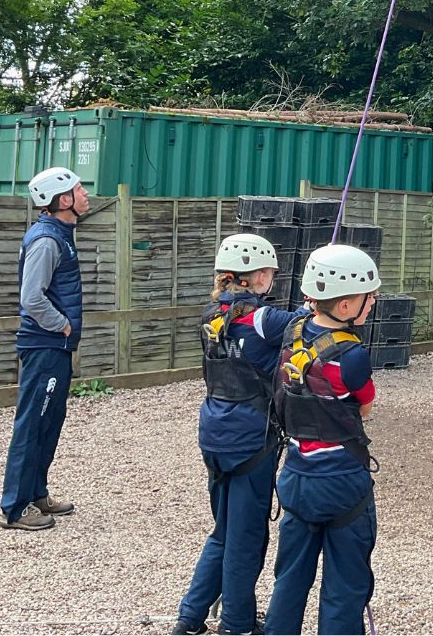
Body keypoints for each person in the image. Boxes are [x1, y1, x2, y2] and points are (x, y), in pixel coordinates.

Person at [172, 233, 308, 636]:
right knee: (245, 540)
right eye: (269, 273)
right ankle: (237, 624)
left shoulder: (211, 314)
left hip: (214, 432)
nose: (272, 279)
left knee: (224, 531)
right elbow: (308, 322)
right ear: (257, 276)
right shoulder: (262, 318)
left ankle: (190, 617)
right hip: (249, 439)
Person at [264, 244, 380, 636]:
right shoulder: (352, 355)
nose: (374, 302)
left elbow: (306, 316)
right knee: (345, 586)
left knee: (290, 580)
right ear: (345, 306)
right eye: (369, 297)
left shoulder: (291, 333)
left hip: (296, 474)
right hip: (341, 480)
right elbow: (363, 406)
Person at [0, 167, 89, 531]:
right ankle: (15, 508)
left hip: (57, 346)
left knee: (49, 420)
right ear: (63, 200)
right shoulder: (47, 240)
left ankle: (36, 492)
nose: (85, 194)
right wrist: (62, 325)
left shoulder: (60, 235)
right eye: (79, 189)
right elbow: (31, 298)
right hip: (45, 344)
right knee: (32, 424)